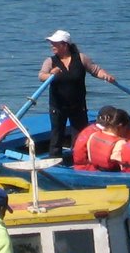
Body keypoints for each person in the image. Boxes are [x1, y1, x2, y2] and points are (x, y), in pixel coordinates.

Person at [38, 29, 114, 159]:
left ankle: (80, 160)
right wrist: (51, 74)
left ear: (64, 45)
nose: (52, 46)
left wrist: (106, 76)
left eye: (55, 43)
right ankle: (55, 160)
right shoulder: (50, 62)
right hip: (58, 107)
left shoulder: (81, 58)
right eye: (51, 43)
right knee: (57, 136)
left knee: (80, 136)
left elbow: (95, 70)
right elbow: (41, 76)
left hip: (78, 106)